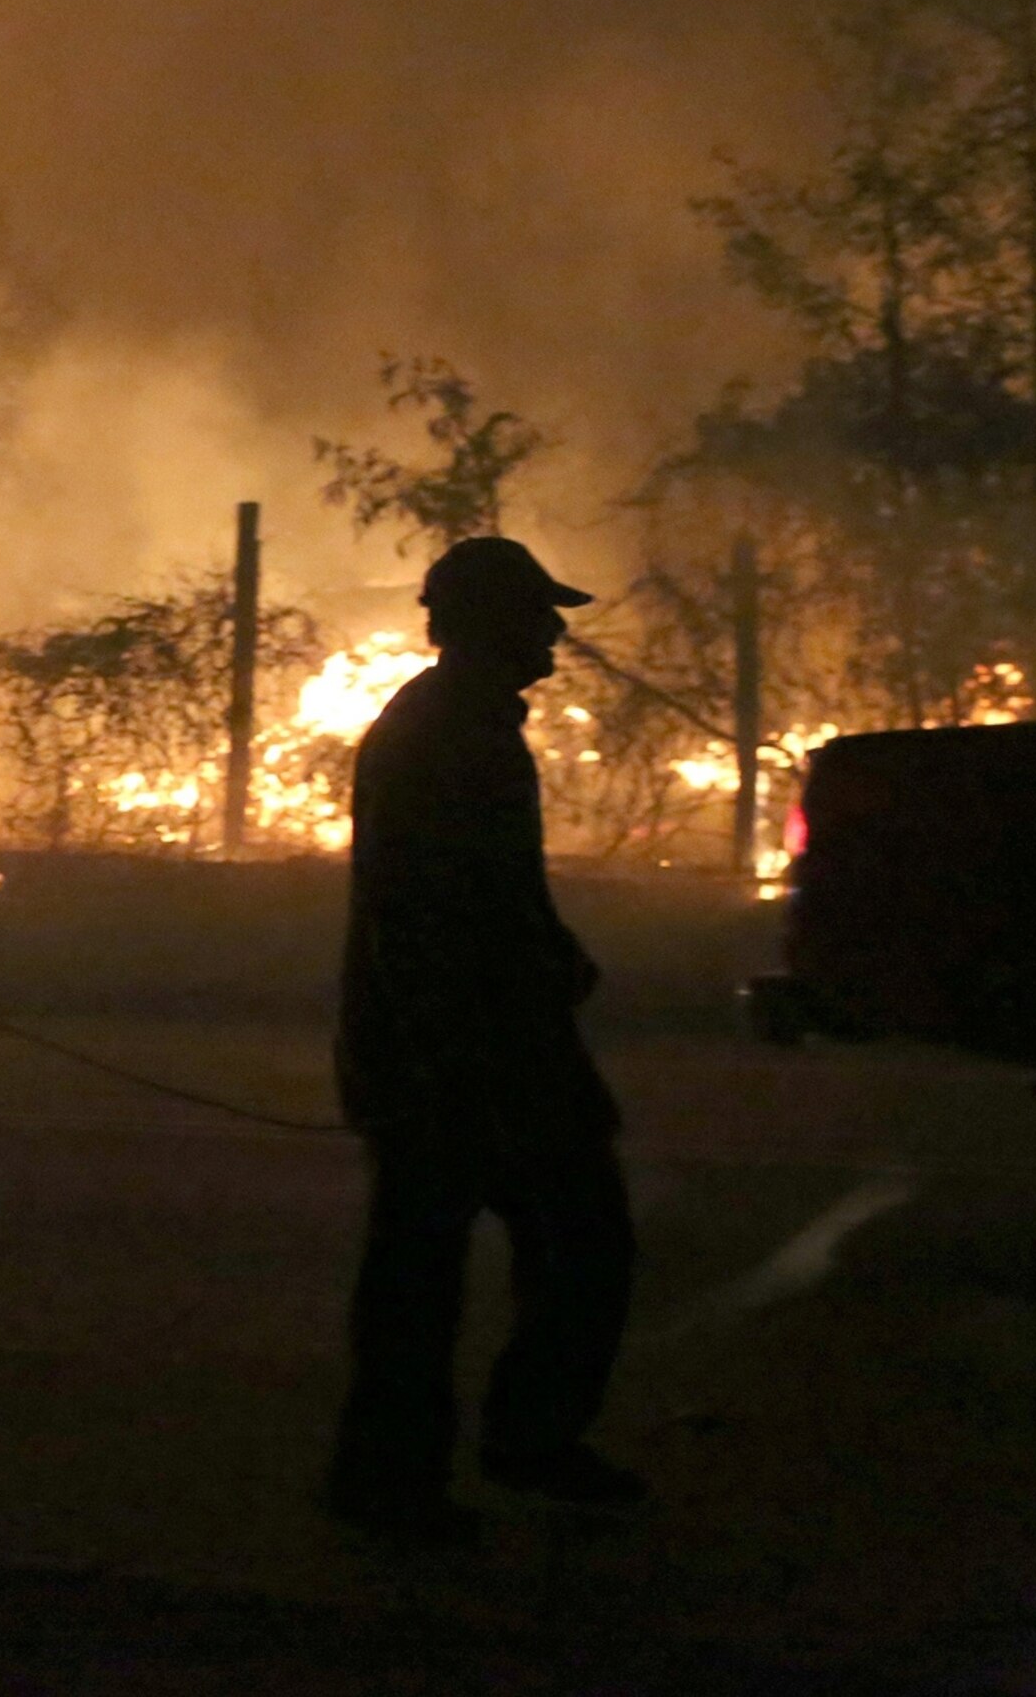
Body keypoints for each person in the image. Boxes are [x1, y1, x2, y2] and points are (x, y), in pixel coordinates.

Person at [324, 536, 644, 1542]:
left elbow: (489, 894)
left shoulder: (457, 726)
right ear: (488, 624)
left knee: (442, 1264)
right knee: (542, 1247)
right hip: (466, 1049)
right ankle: (443, 1465)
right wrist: (466, 1033)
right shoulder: (450, 736)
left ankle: (432, 1464)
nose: (553, 630)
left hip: (472, 1042)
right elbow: (434, 910)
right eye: (536, 613)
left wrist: (550, 957)